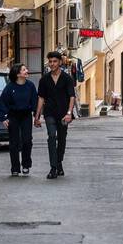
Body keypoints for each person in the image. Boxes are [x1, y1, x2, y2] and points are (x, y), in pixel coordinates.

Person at [36, 50, 76, 179]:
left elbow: (72, 97)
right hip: (50, 113)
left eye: (55, 61)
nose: (52, 64)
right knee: (52, 136)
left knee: (62, 138)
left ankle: (59, 162)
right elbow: (41, 98)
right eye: (50, 62)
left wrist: (69, 113)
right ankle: (53, 167)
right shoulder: (44, 80)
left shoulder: (67, 78)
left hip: (64, 114)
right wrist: (36, 117)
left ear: (60, 62)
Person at [0, 63, 37, 176]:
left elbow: (35, 101)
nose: (27, 71)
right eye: (24, 70)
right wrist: (3, 118)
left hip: (26, 116)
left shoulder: (30, 86)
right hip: (13, 116)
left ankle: (26, 164)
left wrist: (36, 116)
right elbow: (3, 103)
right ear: (18, 74)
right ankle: (15, 167)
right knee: (14, 142)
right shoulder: (10, 87)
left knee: (27, 140)